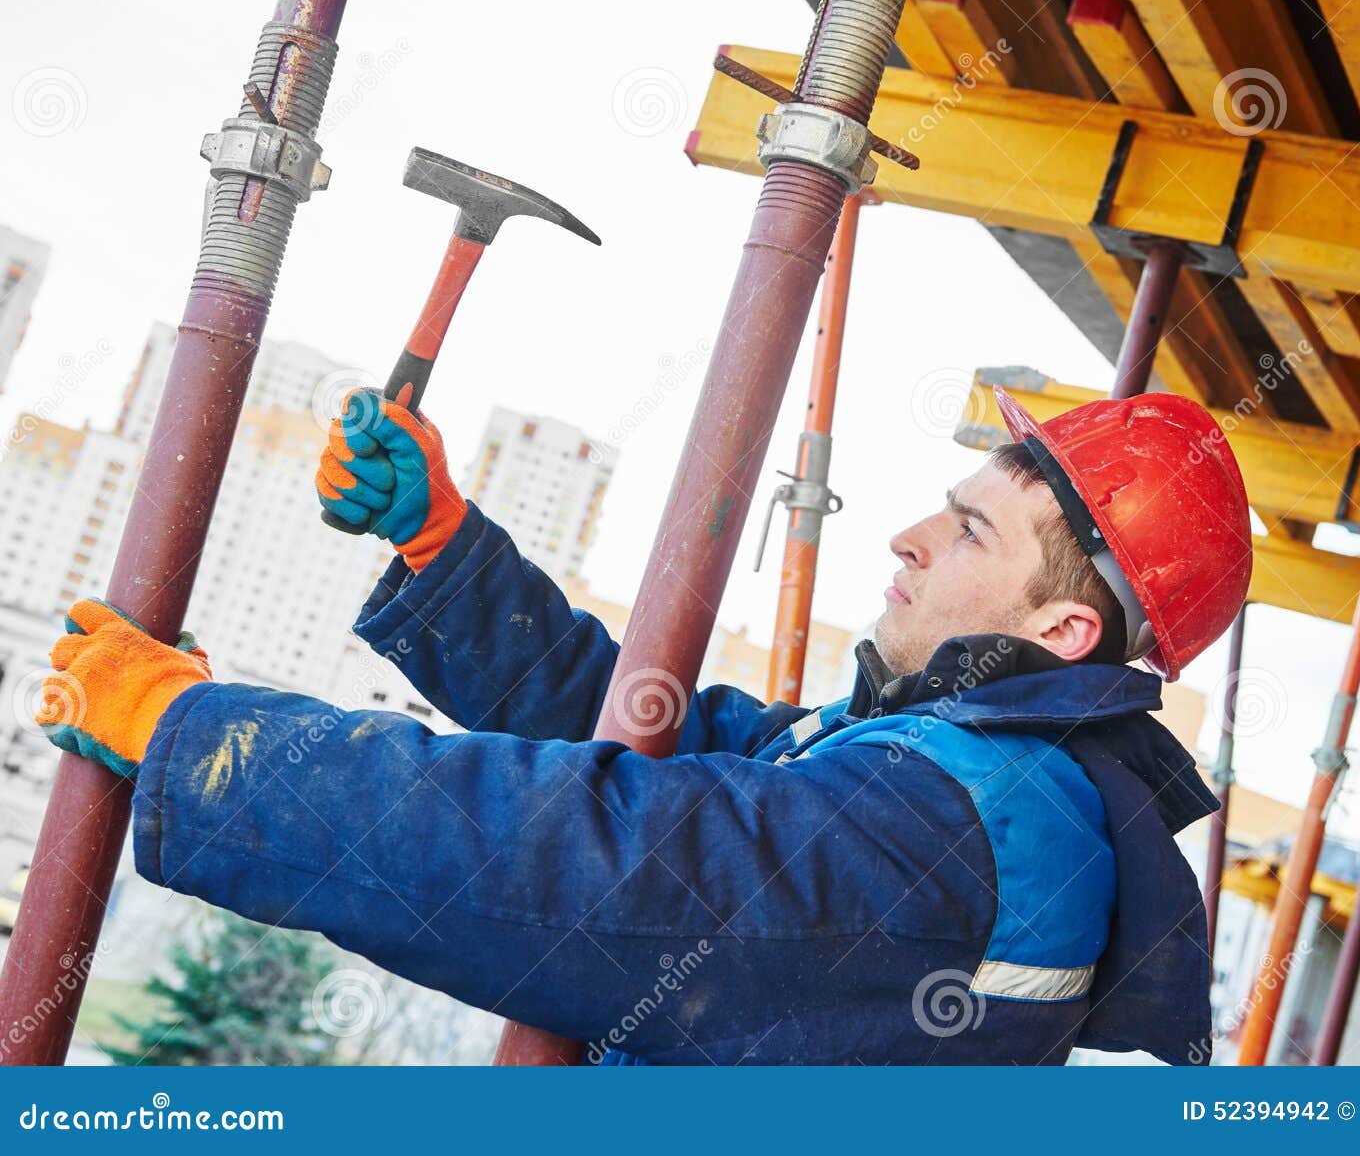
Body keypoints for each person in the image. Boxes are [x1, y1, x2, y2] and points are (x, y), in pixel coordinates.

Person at [39, 384, 1251, 1065]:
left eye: (971, 532)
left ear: (1063, 635)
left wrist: (202, 739)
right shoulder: (962, 767)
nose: (909, 539)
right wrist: (446, 550)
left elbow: (583, 861)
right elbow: (661, 736)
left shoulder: (957, 823)